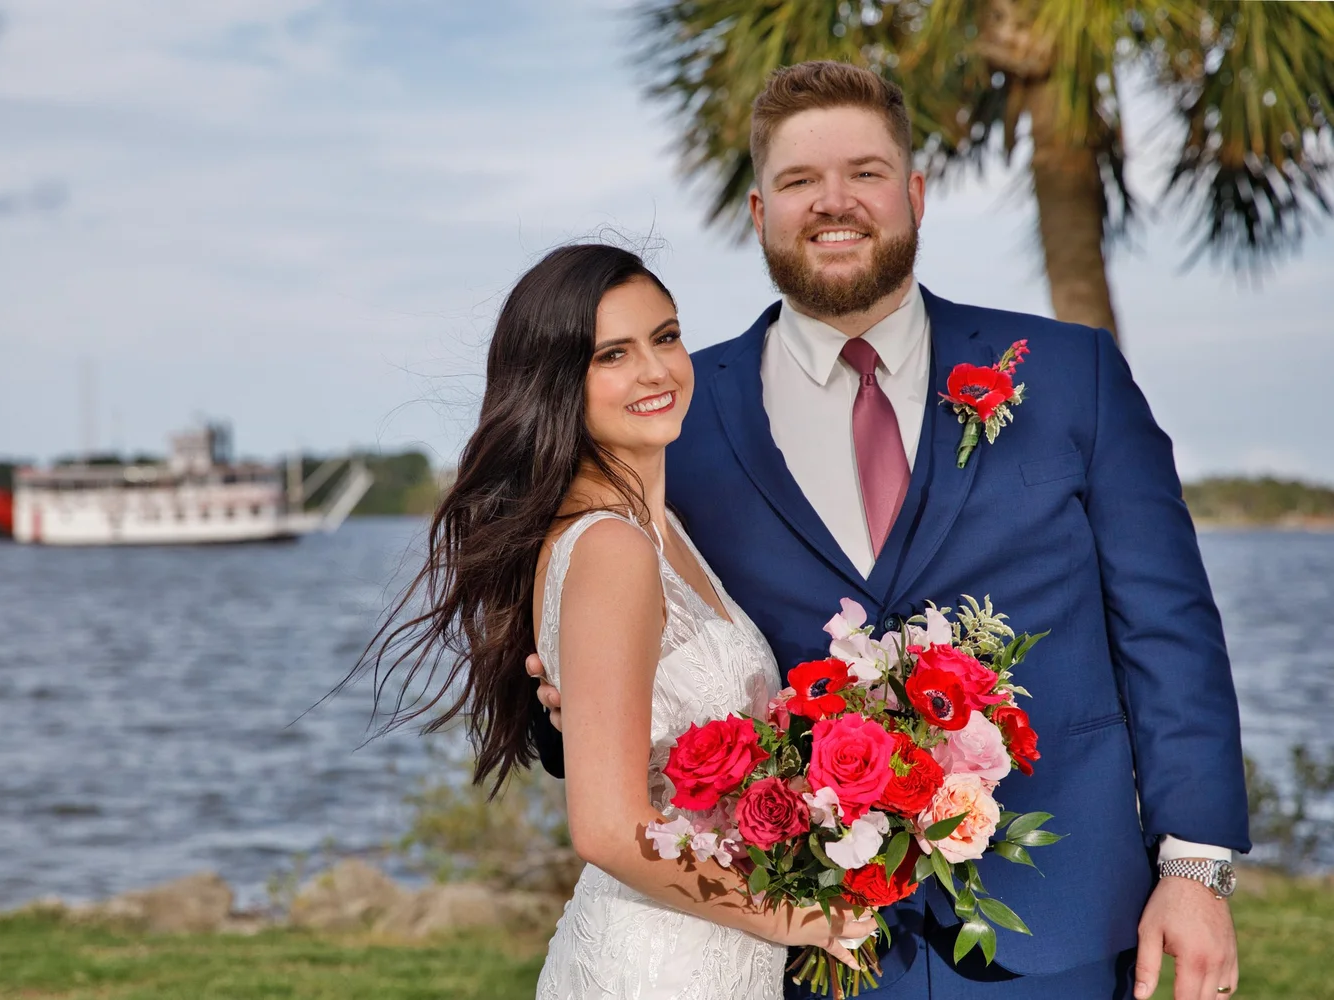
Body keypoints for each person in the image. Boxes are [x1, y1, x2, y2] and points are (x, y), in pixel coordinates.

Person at [528, 61, 1251, 1000]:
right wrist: (566, 715)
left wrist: (1196, 869)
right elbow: (610, 620)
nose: (834, 202)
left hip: (1061, 925)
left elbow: (1170, 628)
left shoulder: (1073, 376)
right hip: (798, 949)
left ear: (913, 193)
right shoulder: (676, 415)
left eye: (865, 172)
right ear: (758, 213)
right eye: (797, 181)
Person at [355, 242, 879, 999]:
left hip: (709, 955)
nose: (656, 370)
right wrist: (792, 917)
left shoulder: (658, 527)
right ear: (558, 382)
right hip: (658, 966)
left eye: (666, 337)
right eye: (614, 354)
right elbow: (605, 826)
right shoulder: (611, 545)